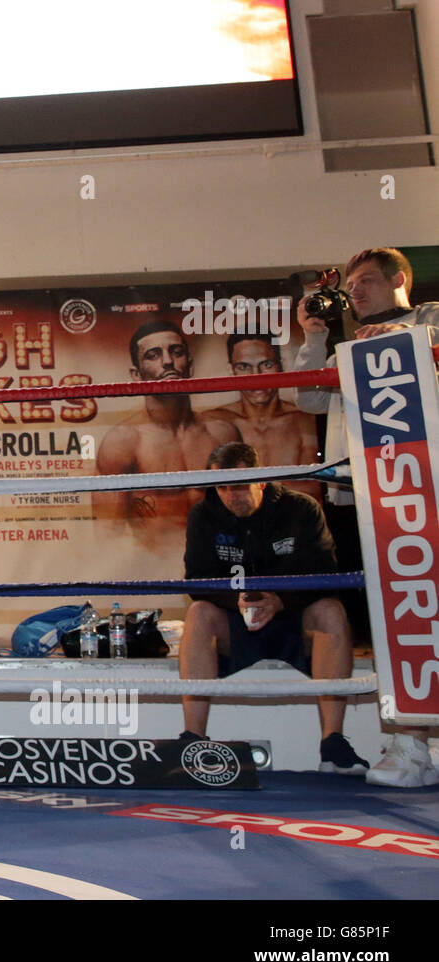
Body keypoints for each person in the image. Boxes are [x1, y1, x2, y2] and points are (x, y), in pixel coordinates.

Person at [294, 247, 439, 787]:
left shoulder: (430, 319)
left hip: (425, 492)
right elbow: (307, 399)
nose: (355, 292)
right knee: (391, 615)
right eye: (350, 285)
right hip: (363, 495)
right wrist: (314, 335)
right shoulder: (344, 348)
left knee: (426, 607)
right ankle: (411, 744)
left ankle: (414, 742)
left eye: (368, 281)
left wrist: (404, 344)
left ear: (400, 280)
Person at [179, 441, 368, 773]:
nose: (230, 495)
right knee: (199, 614)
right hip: (238, 624)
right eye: (222, 486)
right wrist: (236, 599)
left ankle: (333, 743)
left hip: (295, 622)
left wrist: (281, 600)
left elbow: (326, 572)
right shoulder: (204, 514)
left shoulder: (301, 509)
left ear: (262, 480)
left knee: (330, 610)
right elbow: (197, 580)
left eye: (239, 486)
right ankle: (192, 741)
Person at [95, 320, 240, 549]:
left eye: (176, 352)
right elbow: (108, 535)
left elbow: (244, 512)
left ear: (189, 366)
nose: (168, 362)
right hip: (157, 567)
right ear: (136, 375)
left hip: (215, 566)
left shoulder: (222, 433)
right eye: (153, 355)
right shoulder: (123, 441)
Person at [201, 331, 320, 501]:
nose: (255, 375)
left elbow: (313, 488)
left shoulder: (302, 420)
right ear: (231, 370)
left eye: (266, 364)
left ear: (281, 365)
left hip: (293, 519)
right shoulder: (215, 421)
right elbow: (210, 490)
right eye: (244, 367)